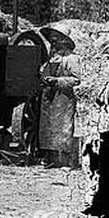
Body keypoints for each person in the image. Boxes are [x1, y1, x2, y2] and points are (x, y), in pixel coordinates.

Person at [38, 25, 81, 168]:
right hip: (49, 97)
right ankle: (50, 158)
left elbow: (76, 80)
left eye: (57, 37)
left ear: (65, 40)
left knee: (63, 128)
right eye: (52, 38)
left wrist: (58, 81)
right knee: (47, 127)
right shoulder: (51, 59)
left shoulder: (72, 59)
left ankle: (64, 160)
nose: (53, 40)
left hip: (64, 98)